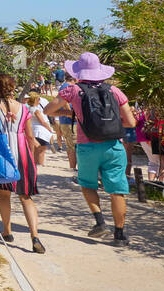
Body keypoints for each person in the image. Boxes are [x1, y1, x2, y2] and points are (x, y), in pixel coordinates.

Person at [45, 52, 136, 246]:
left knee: (87, 184)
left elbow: (48, 110)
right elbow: (131, 122)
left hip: (87, 146)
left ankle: (99, 222)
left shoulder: (73, 90)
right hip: (114, 145)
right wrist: (110, 124)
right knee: (117, 191)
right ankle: (120, 235)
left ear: (79, 72)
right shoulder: (115, 91)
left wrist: (72, 112)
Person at [0, 73, 45, 253]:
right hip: (23, 154)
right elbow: (29, 135)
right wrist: (31, 158)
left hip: (3, 154)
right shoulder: (24, 108)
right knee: (26, 197)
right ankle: (35, 236)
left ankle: (7, 231)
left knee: (4, 194)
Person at [52, 73, 78, 170]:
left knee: (71, 146)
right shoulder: (67, 87)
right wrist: (73, 116)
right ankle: (73, 169)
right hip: (70, 122)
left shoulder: (64, 86)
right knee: (72, 146)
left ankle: (73, 168)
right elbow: (65, 103)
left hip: (68, 121)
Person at [26, 91, 55, 167]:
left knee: (35, 151)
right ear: (36, 100)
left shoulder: (28, 108)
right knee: (41, 151)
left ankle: (35, 165)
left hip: (33, 131)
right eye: (39, 99)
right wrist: (50, 129)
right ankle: (40, 165)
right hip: (40, 132)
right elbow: (43, 122)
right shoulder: (36, 110)